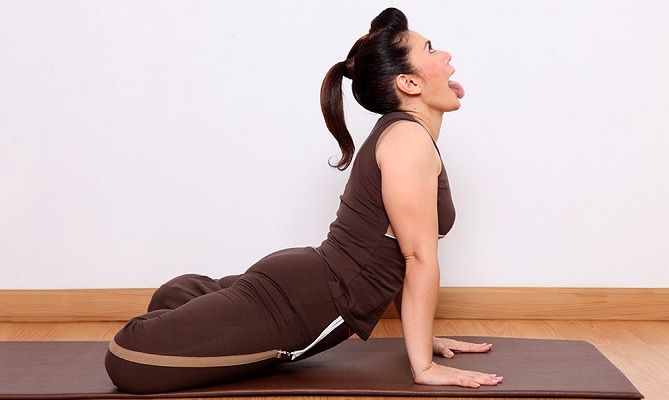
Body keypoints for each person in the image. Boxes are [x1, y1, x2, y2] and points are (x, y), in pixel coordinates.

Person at [104, 7, 503, 393]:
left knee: (173, 295)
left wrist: (421, 338)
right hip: (305, 305)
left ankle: (195, 330)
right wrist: (424, 368)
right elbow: (417, 258)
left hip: (302, 279)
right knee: (127, 359)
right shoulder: (409, 140)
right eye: (431, 49)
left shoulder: (404, 135)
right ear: (409, 84)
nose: (446, 55)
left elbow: (401, 253)